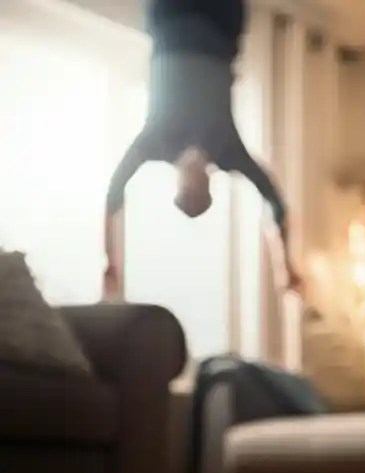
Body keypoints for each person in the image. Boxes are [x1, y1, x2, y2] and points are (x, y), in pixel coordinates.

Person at [102, 0, 301, 299]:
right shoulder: (227, 152)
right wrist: (284, 265)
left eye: (186, 195)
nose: (193, 188)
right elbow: (275, 202)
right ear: (209, 188)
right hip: (220, 28)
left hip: (171, 19)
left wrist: (109, 262)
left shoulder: (154, 143)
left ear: (178, 186)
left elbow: (114, 194)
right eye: (200, 196)